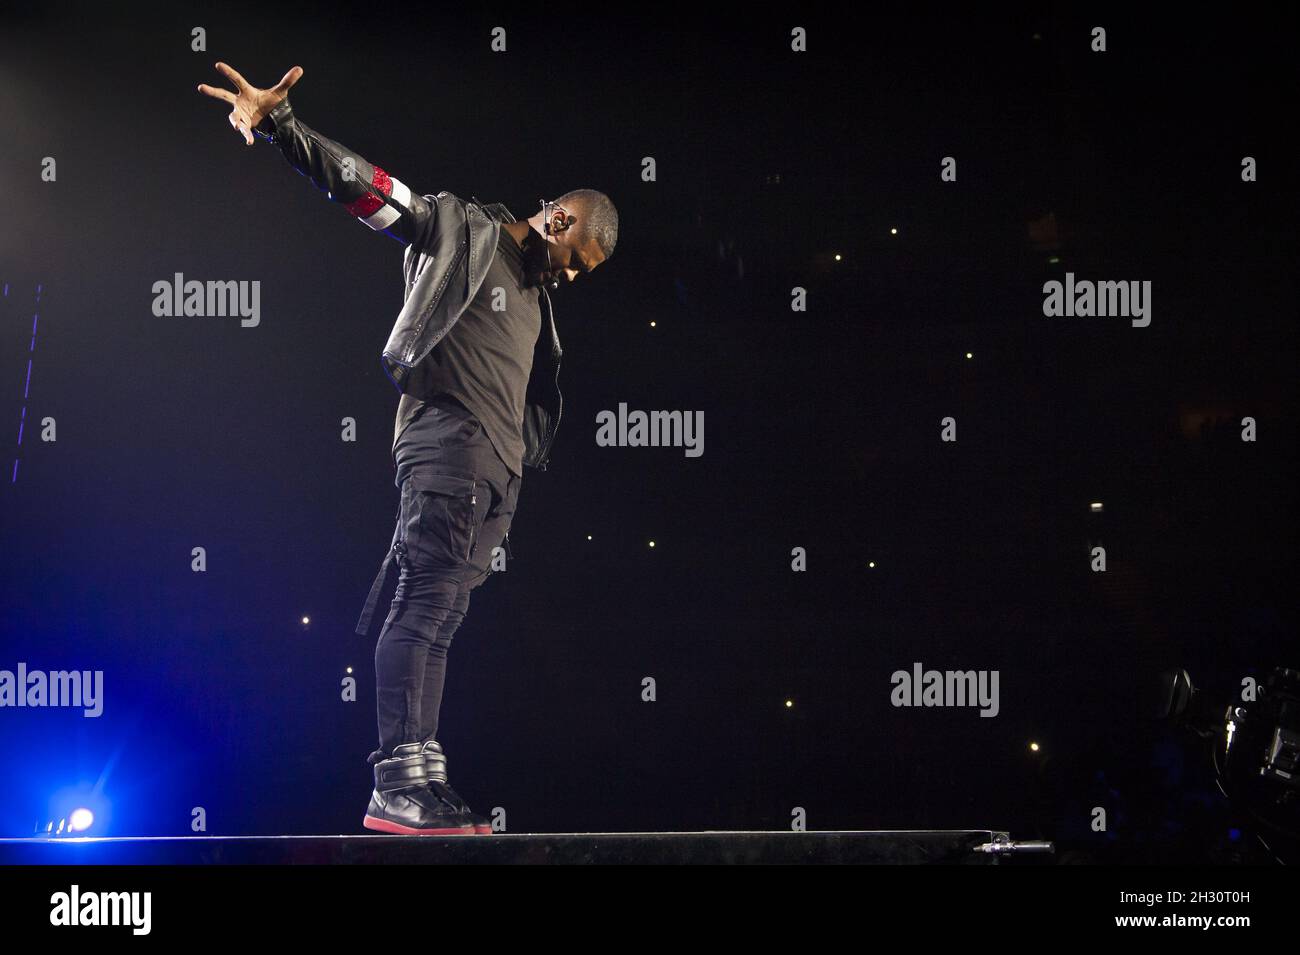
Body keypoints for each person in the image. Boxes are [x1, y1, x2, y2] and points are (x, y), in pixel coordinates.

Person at [198, 62, 618, 834]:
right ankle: (394, 781)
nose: (574, 277)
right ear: (561, 220)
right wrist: (286, 127)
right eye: (578, 260)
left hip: (494, 474)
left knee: (444, 614)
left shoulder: (536, 301)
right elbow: (374, 192)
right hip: (444, 447)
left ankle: (425, 772)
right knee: (420, 605)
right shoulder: (468, 234)